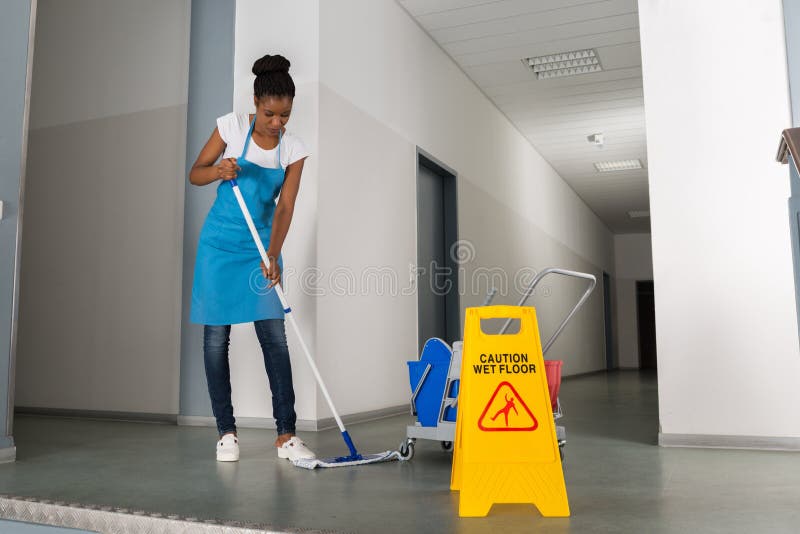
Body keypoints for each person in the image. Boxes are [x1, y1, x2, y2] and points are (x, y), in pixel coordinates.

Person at [188, 54, 315, 463]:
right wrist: (220, 170)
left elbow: (286, 207)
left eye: (285, 115)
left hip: (261, 247)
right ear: (256, 102)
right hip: (218, 246)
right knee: (215, 339)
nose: (277, 123)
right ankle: (226, 432)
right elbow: (196, 172)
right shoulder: (231, 127)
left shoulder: (293, 149)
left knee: (274, 337)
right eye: (269, 113)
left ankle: (287, 435)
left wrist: (274, 254)